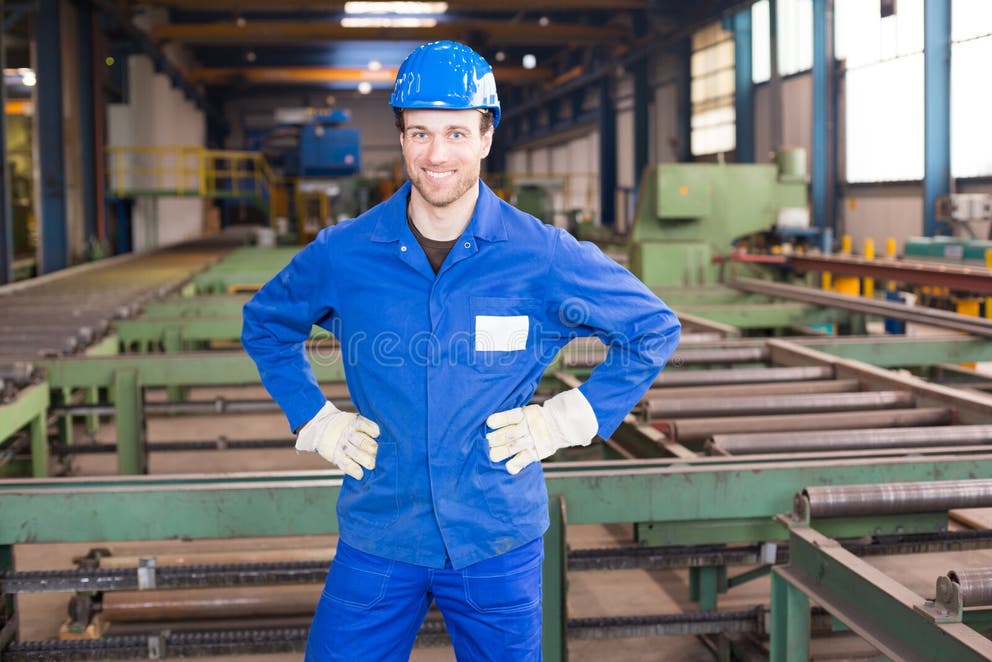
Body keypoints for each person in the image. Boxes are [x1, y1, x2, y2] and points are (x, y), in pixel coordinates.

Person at [241, 40, 681, 662]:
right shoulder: (345, 253)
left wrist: (569, 418)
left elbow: (652, 328)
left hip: (495, 535)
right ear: (401, 139)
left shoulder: (540, 255)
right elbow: (266, 323)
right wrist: (315, 419)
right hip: (381, 527)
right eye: (420, 133)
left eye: (456, 133)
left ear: (486, 138)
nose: (437, 154)